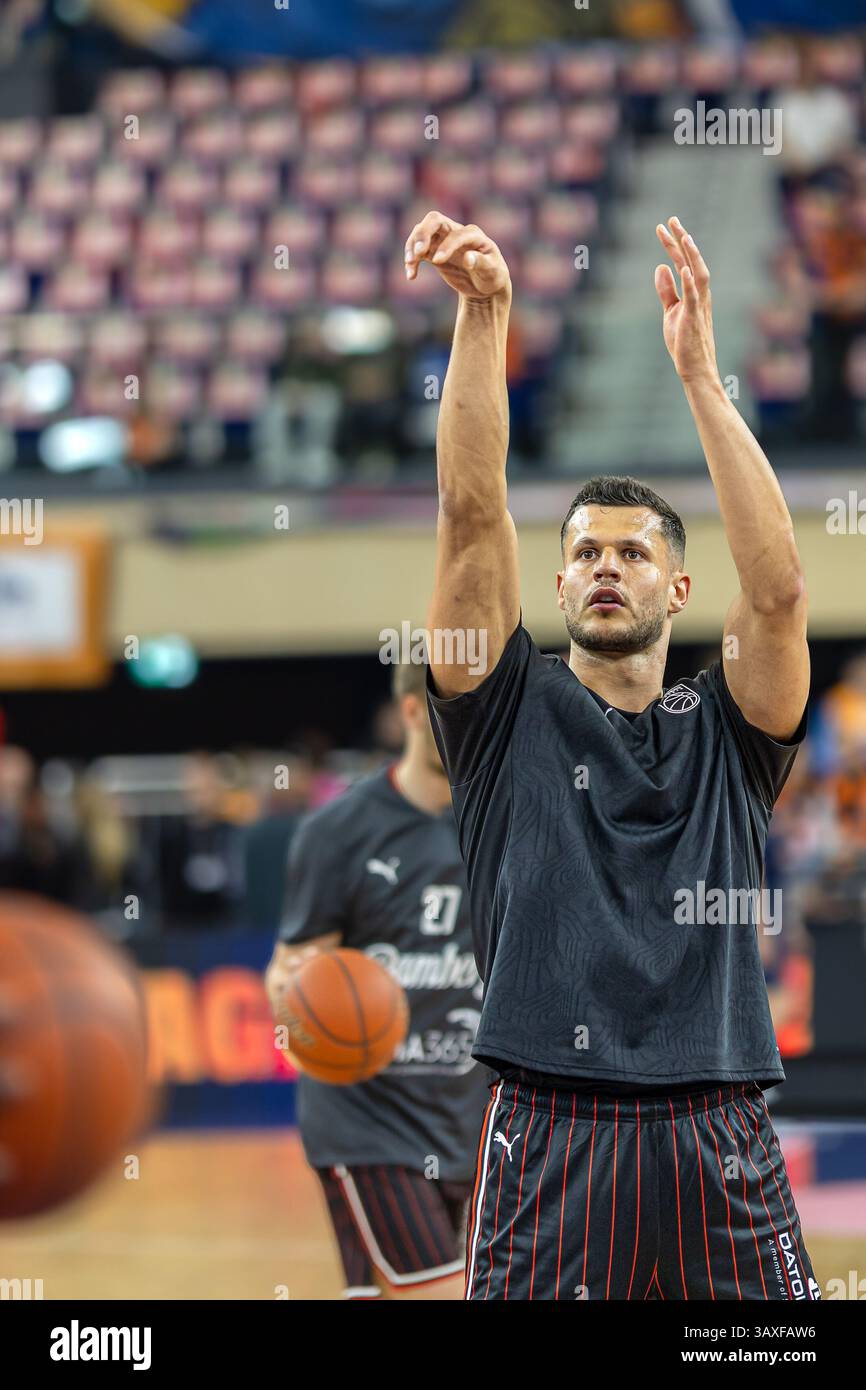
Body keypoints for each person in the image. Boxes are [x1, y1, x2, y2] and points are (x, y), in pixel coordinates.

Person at [404, 210, 819, 1300]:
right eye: (583, 549)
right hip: (550, 1130)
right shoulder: (501, 714)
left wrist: (701, 382)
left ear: (675, 589)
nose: (603, 566)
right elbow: (466, 511)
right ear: (555, 586)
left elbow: (776, 593)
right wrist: (484, 313)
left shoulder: (726, 730)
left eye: (632, 552)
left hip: (715, 1129)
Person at [264, 661, 487, 1300]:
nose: (470, 725)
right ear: (413, 711)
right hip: (369, 1121)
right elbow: (290, 966)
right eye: (452, 708)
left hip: (474, 1119)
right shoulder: (338, 831)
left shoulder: (504, 824)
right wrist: (292, 995)